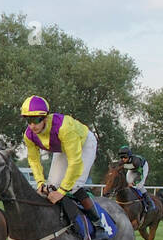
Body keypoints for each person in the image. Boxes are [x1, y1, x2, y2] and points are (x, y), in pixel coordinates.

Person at [20, 96, 105, 227]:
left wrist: (62, 192)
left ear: (45, 118)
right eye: (28, 120)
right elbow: (33, 160)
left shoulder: (64, 128)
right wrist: (40, 183)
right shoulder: (28, 135)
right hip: (63, 148)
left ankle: (98, 223)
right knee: (51, 186)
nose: (32, 125)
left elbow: (75, 162)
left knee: (74, 186)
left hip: (84, 143)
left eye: (36, 120)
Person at [116, 144, 155, 215]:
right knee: (128, 181)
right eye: (121, 157)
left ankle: (150, 203)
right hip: (132, 169)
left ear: (129, 156)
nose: (123, 159)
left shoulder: (136, 161)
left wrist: (134, 183)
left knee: (139, 186)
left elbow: (140, 175)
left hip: (142, 168)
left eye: (125, 157)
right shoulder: (122, 162)